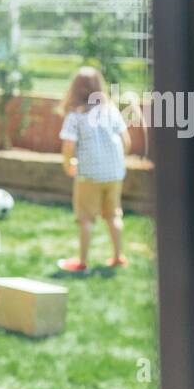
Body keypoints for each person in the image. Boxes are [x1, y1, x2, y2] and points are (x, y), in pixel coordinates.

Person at [56, 66, 132, 272]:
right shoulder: (111, 111)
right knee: (114, 215)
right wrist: (117, 162)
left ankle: (82, 262)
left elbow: (68, 146)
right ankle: (118, 256)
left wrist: (67, 164)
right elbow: (126, 141)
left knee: (85, 218)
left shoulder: (76, 116)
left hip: (89, 175)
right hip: (114, 173)